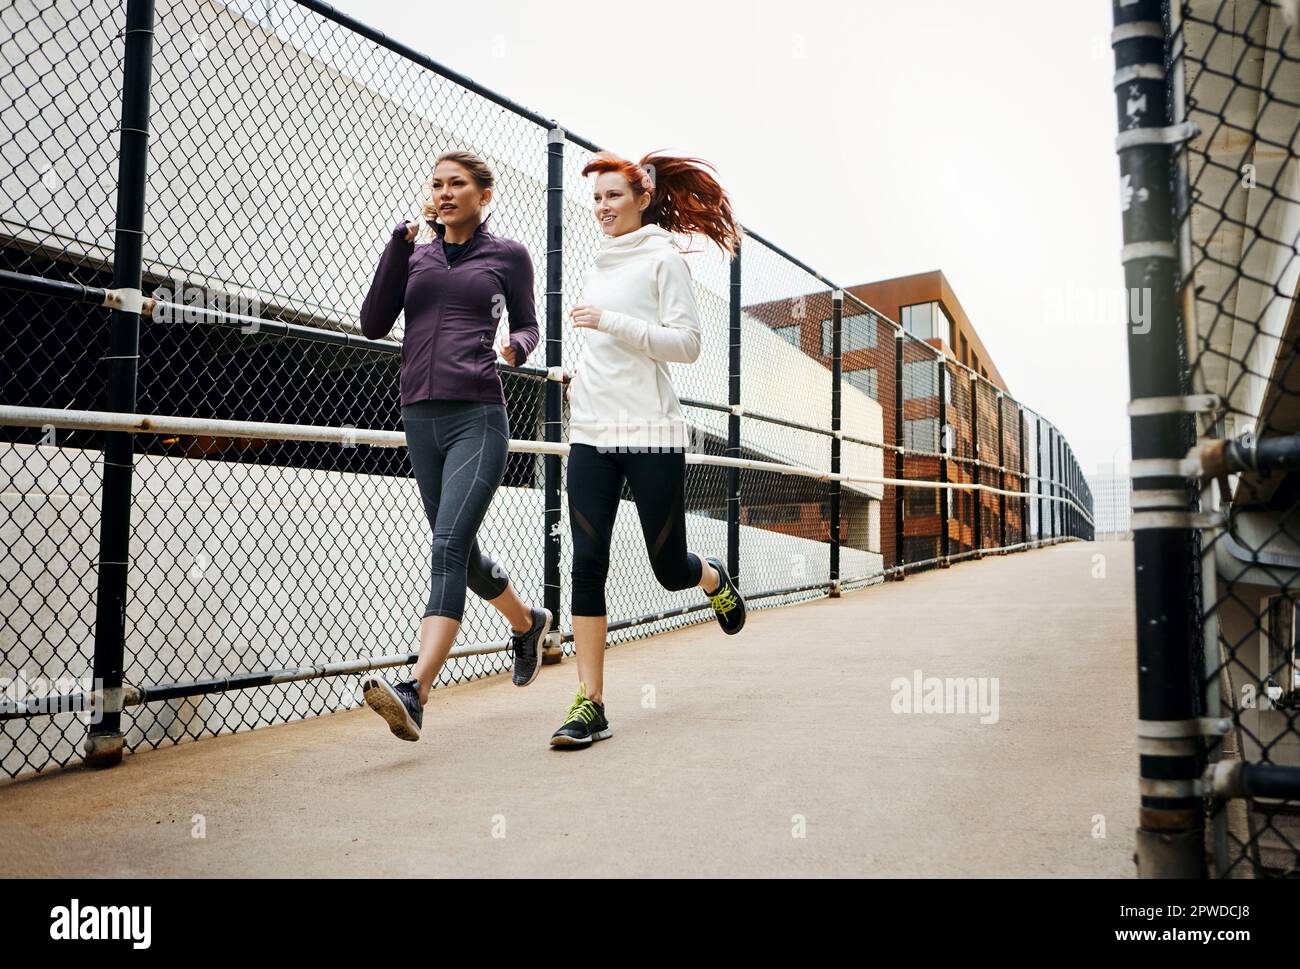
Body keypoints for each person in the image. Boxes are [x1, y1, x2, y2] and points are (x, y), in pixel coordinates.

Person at [552, 150, 747, 749]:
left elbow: (685, 345)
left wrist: (611, 323)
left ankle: (713, 578)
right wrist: (583, 374)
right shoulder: (599, 262)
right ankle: (592, 702)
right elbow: (605, 347)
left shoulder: (663, 259)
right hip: (591, 432)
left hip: (651, 434)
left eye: (613, 196)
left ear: (641, 198)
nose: (602, 207)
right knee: (586, 564)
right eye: (596, 199)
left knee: (669, 569)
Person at [356, 150, 550, 742]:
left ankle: (415, 690)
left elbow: (528, 324)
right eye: (436, 184)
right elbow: (372, 323)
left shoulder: (508, 255)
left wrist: (514, 349)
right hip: (418, 414)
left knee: (445, 544)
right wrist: (397, 244)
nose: (444, 193)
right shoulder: (413, 254)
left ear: (482, 195)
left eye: (457, 184)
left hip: (478, 417)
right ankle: (527, 622)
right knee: (459, 554)